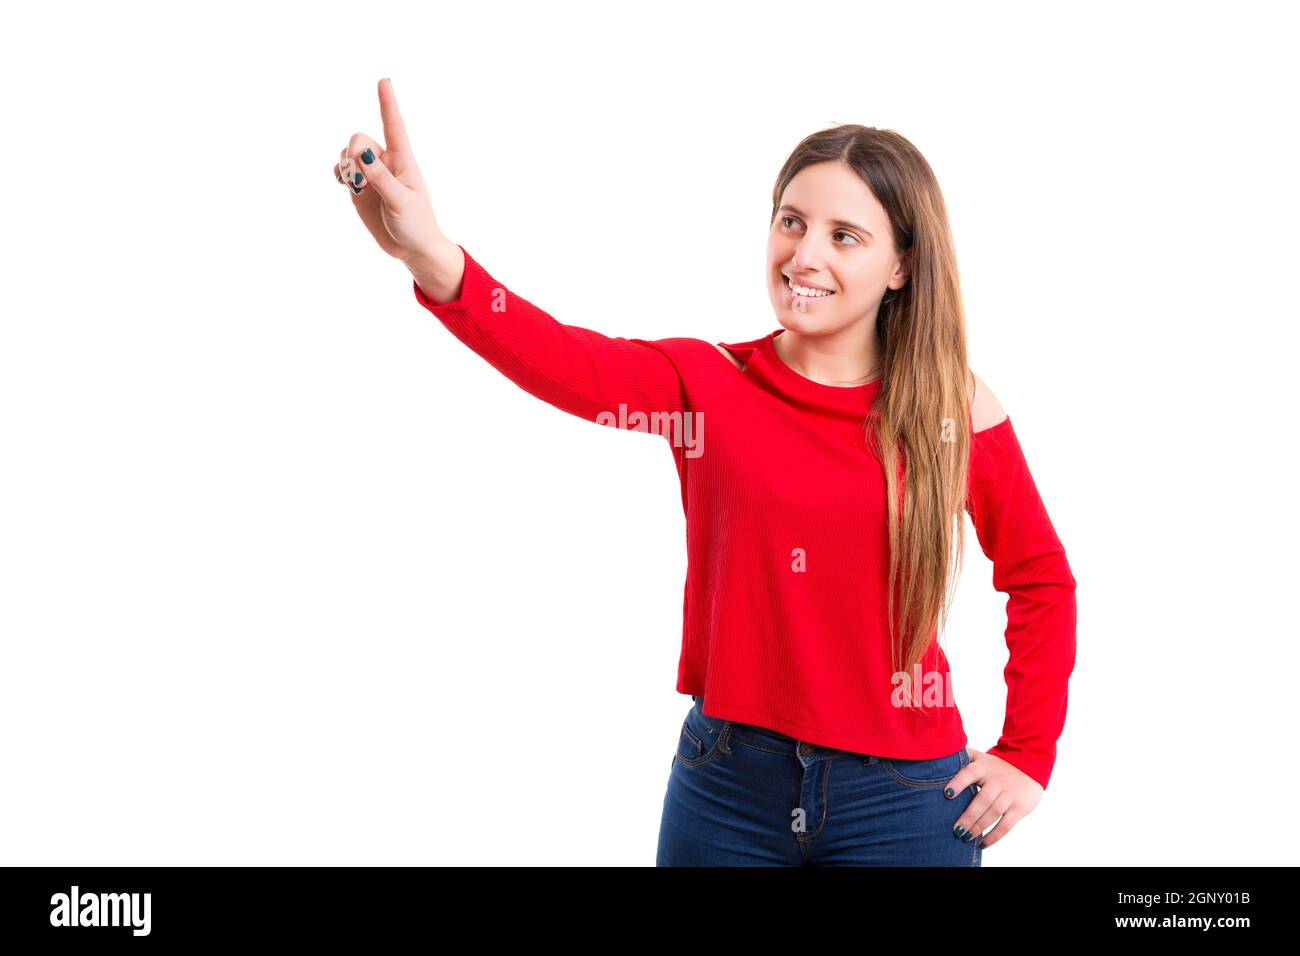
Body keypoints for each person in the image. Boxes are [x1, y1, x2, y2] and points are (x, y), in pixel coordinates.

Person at [335, 78, 1078, 866]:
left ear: (902, 266)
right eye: (791, 222)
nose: (805, 254)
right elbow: (562, 360)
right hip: (727, 788)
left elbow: (1038, 576)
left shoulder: (952, 405)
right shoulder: (709, 385)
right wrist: (433, 255)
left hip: (903, 803)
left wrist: (1028, 753)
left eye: (845, 235)